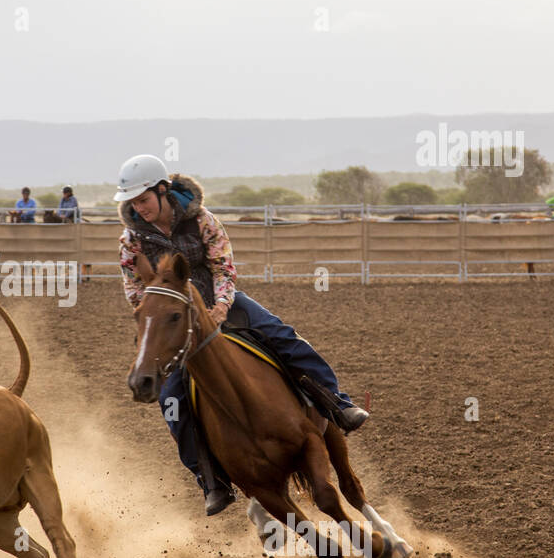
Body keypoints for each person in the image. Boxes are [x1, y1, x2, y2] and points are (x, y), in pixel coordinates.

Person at [116, 154, 369, 516]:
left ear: (162, 190)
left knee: (284, 337)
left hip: (222, 303)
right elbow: (135, 290)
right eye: (133, 203)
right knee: (172, 401)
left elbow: (223, 266)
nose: (139, 208)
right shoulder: (131, 241)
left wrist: (220, 306)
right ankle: (211, 480)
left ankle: (338, 404)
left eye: (143, 199)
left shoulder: (201, 220)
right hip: (173, 322)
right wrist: (154, 321)